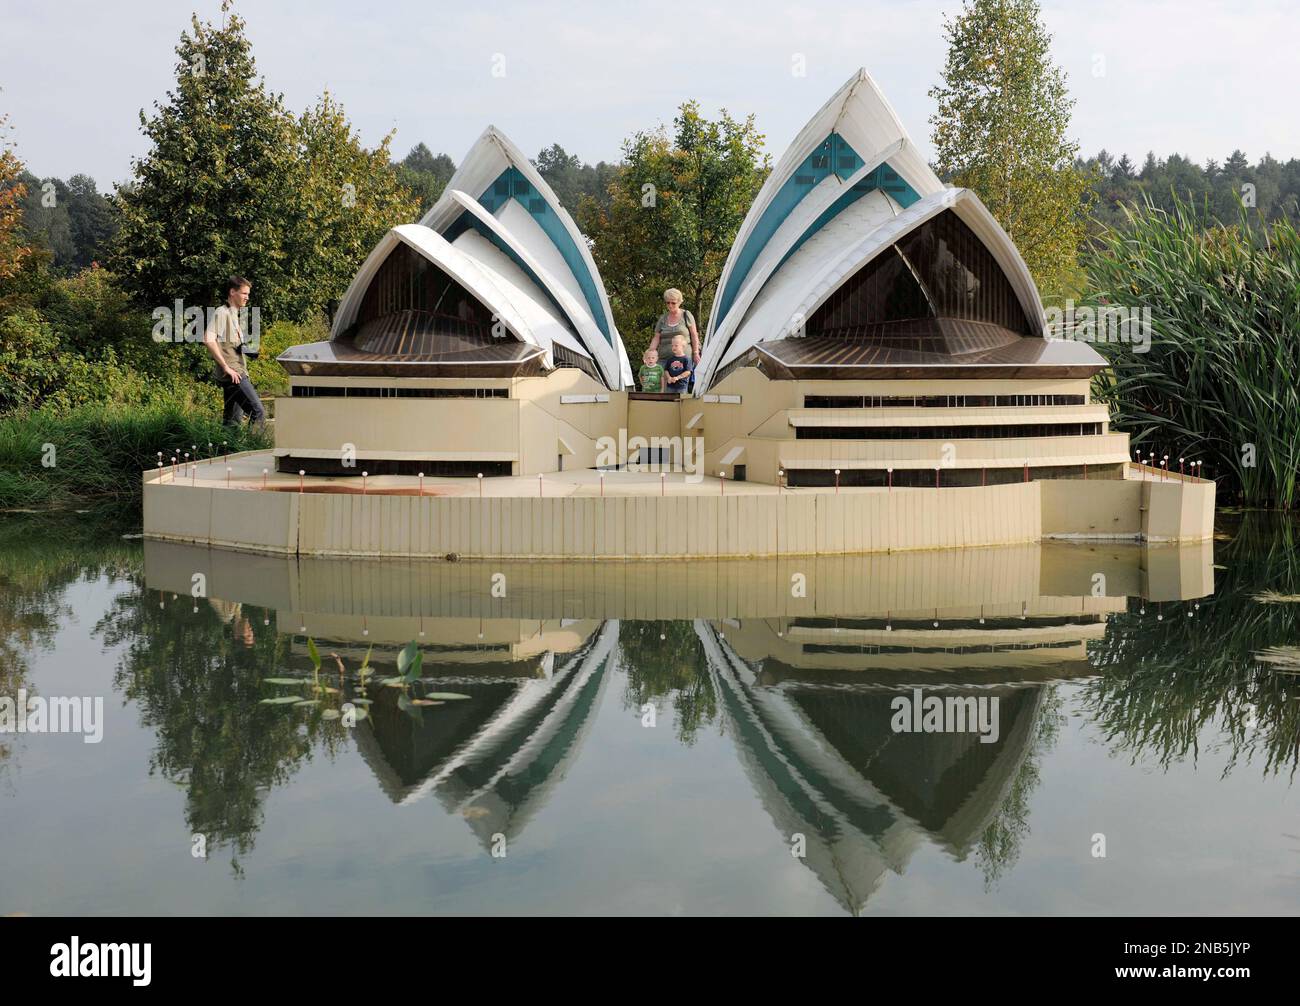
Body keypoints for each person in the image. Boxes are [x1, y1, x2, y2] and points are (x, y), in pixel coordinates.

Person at [203, 275, 265, 430]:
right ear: (232, 292)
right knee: (258, 413)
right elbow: (208, 339)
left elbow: (228, 345)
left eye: (248, 294)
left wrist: (247, 350)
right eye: (244, 294)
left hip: (234, 374)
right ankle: (255, 450)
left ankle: (226, 451)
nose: (247, 298)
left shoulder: (233, 315)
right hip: (234, 375)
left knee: (232, 424)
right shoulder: (222, 312)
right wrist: (226, 367)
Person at [648, 288, 700, 389]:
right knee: (661, 388)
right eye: (668, 303)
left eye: (673, 303)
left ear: (679, 302)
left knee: (679, 388)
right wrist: (650, 352)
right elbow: (656, 337)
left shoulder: (686, 315)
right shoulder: (663, 318)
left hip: (683, 360)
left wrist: (695, 352)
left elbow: (694, 334)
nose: (670, 305)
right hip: (664, 358)